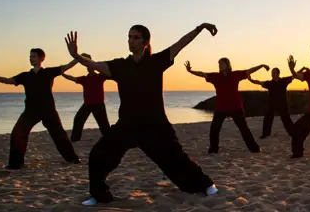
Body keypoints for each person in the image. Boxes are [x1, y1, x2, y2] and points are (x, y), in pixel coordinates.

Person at [64, 23, 219, 206]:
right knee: (98, 155)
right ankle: (99, 195)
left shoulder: (156, 62)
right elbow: (94, 64)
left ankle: (206, 184)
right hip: (127, 124)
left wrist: (199, 28)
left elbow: (180, 44)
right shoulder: (120, 66)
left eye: (136, 37)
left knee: (176, 160)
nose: (131, 41)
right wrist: (76, 56)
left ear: (145, 42)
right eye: (129, 37)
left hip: (155, 125)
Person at [0, 48, 81, 170]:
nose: (31, 59)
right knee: (17, 133)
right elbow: (8, 81)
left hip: (48, 110)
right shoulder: (25, 76)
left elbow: (66, 67)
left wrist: (78, 57)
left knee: (60, 135)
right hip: (30, 111)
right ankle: (15, 164)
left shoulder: (49, 72)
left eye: (34, 56)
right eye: (30, 56)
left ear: (41, 58)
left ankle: (72, 159)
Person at [184, 59, 266, 154]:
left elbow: (249, 71)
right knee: (214, 129)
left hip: (235, 107)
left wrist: (261, 65)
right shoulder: (215, 76)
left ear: (227, 65)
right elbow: (202, 74)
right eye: (219, 64)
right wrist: (190, 71)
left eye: (222, 64)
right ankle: (213, 150)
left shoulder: (235, 75)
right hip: (221, 107)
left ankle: (255, 149)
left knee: (244, 129)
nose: (220, 66)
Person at [61, 53, 111, 142]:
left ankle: (110, 139)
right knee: (78, 119)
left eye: (90, 66)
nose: (88, 68)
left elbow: (108, 72)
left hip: (99, 105)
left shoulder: (100, 76)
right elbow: (72, 78)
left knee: (104, 124)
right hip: (87, 104)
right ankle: (75, 138)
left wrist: (90, 61)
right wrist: (62, 74)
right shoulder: (84, 79)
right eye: (87, 67)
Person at [247, 67, 298, 139]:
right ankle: (265, 134)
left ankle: (293, 133)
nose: (272, 74)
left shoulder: (284, 81)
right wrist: (250, 79)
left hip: (282, 104)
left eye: (274, 73)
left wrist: (302, 69)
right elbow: (258, 82)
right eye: (272, 73)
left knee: (286, 119)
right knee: (267, 118)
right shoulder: (269, 83)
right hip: (272, 104)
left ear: (278, 73)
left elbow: (294, 75)